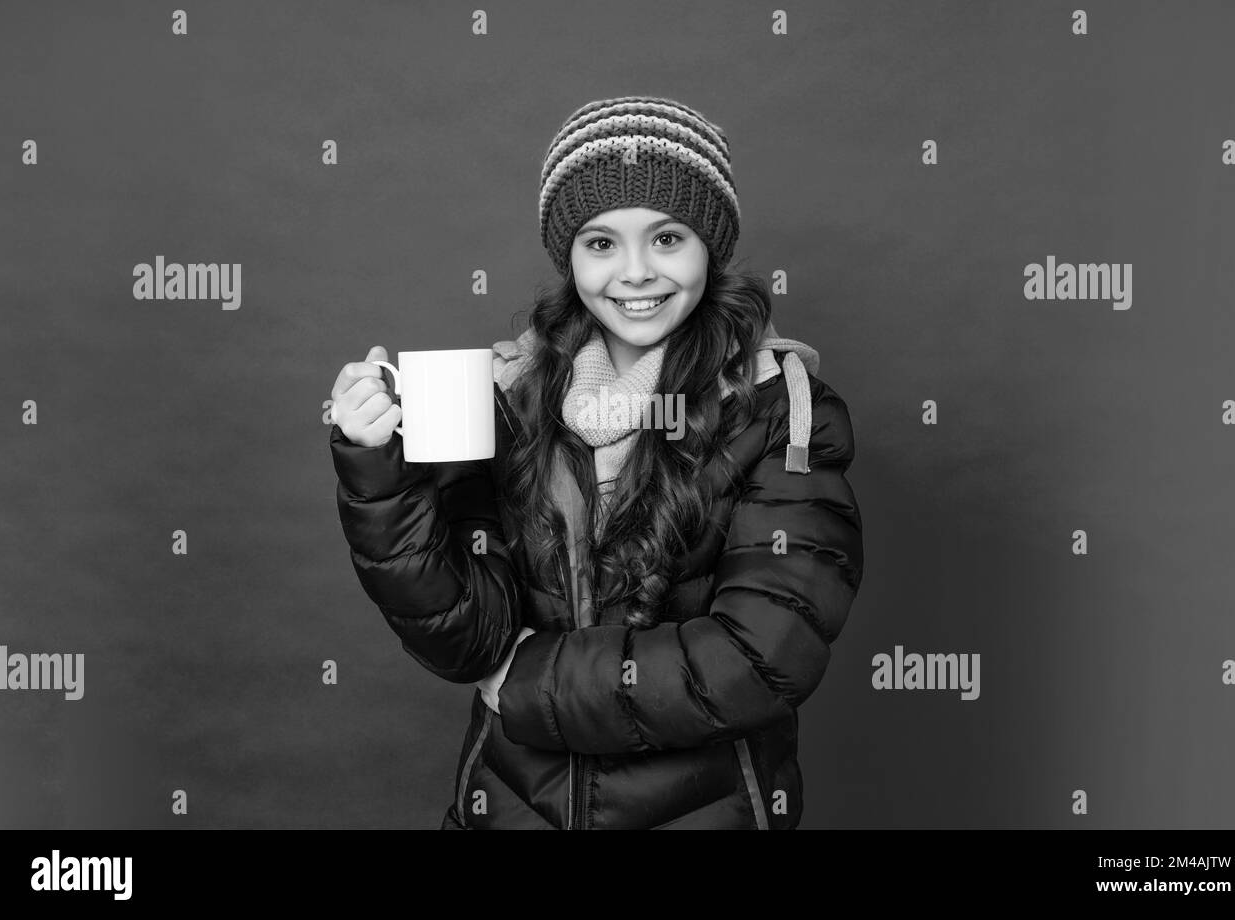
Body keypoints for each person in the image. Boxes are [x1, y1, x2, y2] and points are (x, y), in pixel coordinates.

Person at [327, 95, 864, 829]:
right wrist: (378, 470)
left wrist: (525, 681)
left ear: (710, 246)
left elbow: (760, 660)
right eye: (602, 242)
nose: (635, 273)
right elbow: (463, 639)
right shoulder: (512, 395)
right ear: (569, 256)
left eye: (667, 238)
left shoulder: (783, 411)